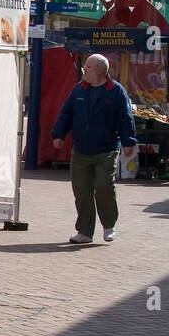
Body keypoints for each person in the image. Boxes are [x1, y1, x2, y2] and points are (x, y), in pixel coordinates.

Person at [50, 53, 137, 244]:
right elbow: (66, 112)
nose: (84, 70)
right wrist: (58, 134)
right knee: (81, 190)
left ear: (99, 70)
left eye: (87, 67)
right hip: (81, 149)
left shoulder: (116, 91)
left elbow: (125, 117)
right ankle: (85, 232)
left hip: (106, 149)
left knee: (104, 185)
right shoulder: (79, 90)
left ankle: (109, 226)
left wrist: (128, 142)